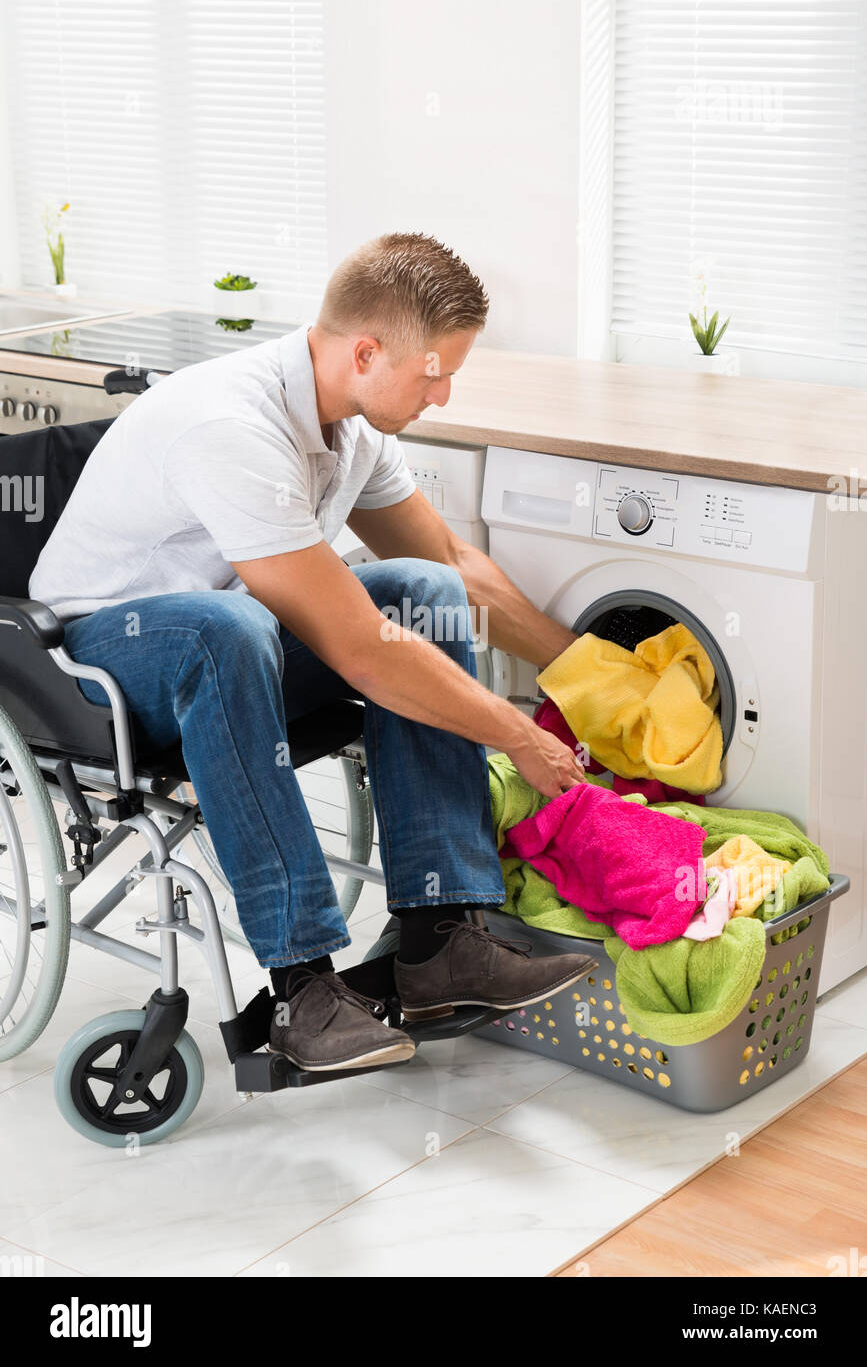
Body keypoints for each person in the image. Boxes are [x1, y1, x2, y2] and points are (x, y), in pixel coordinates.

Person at [30, 231, 592, 1074]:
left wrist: (588, 676)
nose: (442, 395)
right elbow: (362, 655)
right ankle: (301, 991)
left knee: (417, 592)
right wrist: (514, 734)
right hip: (95, 666)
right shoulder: (231, 424)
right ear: (366, 351)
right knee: (232, 629)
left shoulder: (353, 428)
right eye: (434, 372)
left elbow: (453, 569)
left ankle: (441, 941)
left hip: (232, 643)